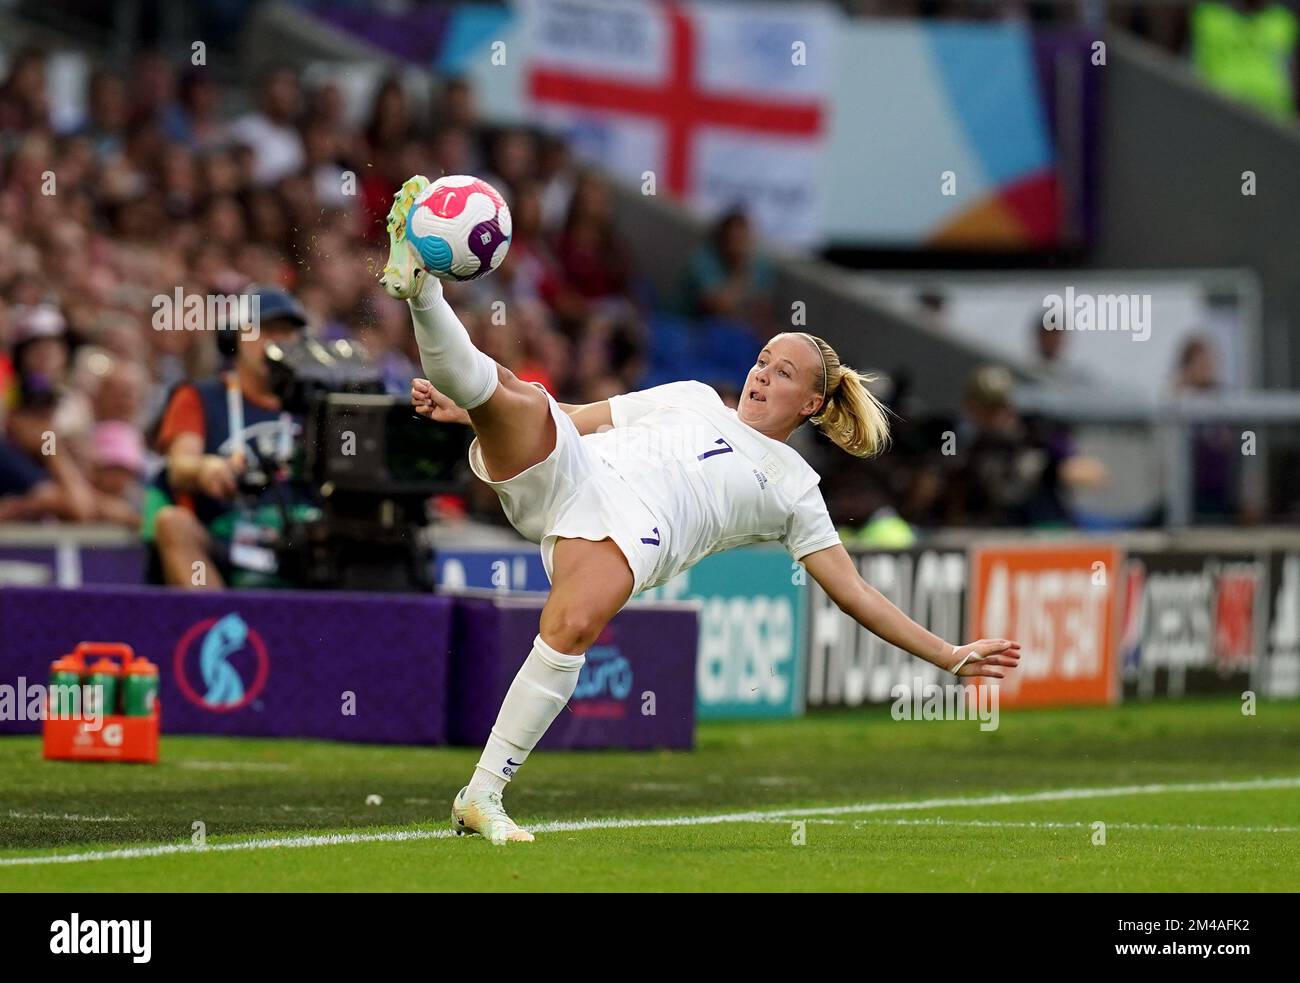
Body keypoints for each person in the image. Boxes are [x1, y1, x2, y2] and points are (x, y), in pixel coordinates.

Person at [379, 175, 1022, 844]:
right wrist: (473, 413)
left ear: (809, 404)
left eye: (782, 373)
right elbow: (575, 416)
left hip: (632, 531)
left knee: (572, 622)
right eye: (763, 360)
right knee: (513, 394)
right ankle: (420, 284)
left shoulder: (796, 483)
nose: (761, 374)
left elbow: (854, 591)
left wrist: (947, 654)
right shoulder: (690, 394)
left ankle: (481, 794)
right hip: (573, 466)